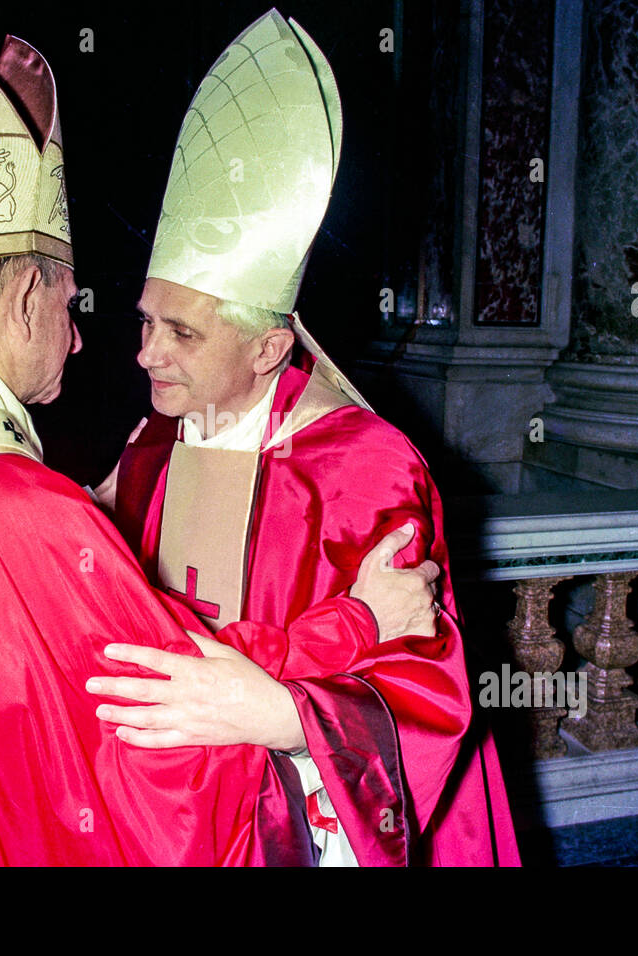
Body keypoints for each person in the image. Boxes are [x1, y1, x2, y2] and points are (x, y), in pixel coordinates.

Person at [0, 12, 436, 866]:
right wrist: (351, 629)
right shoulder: (20, 508)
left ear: (267, 347)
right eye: (75, 308)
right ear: (29, 294)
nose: (91, 343)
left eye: (179, 332)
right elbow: (167, 738)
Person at [92, 9, 520, 866]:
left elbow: (427, 686)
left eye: (181, 332)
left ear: (268, 349)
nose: (145, 352)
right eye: (145, 322)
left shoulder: (363, 467)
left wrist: (281, 716)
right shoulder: (148, 445)